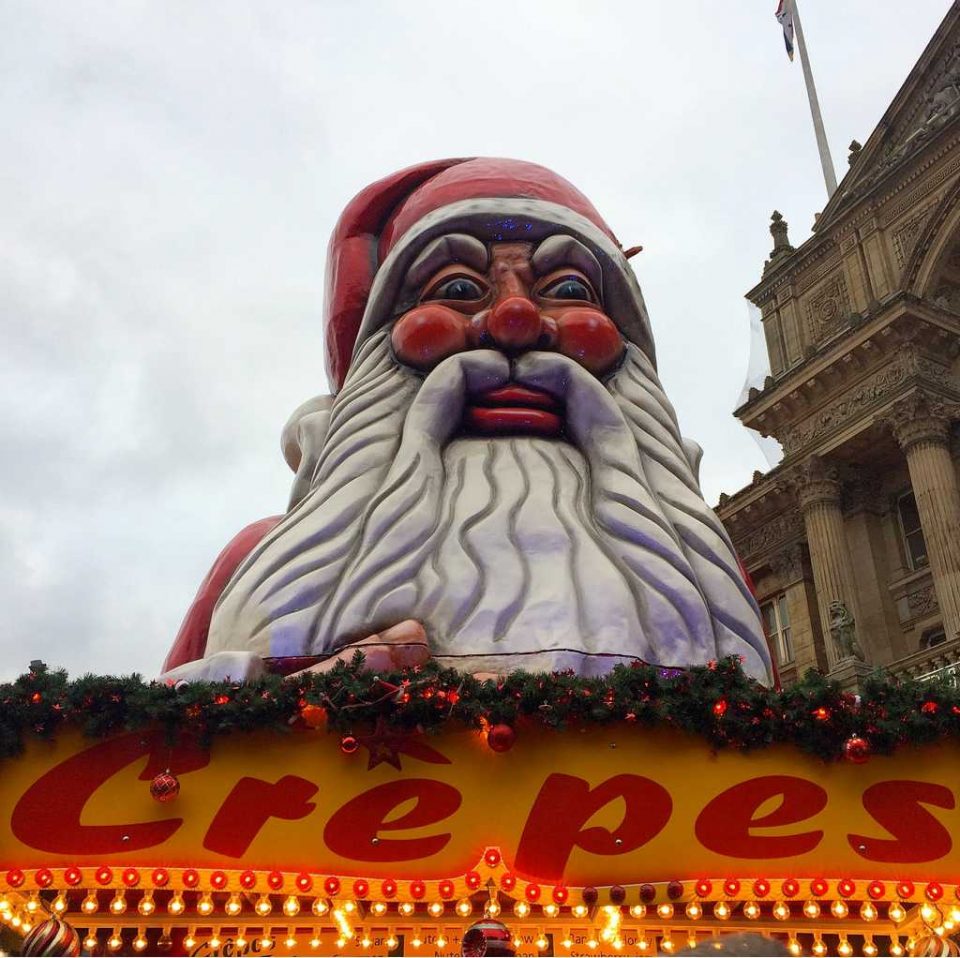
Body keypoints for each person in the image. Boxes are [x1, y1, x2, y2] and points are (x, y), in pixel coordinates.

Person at [162, 158, 773, 686]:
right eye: (457, 287)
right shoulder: (255, 565)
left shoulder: (702, 575)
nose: (514, 319)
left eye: (568, 287)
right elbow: (129, 773)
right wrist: (262, 718)